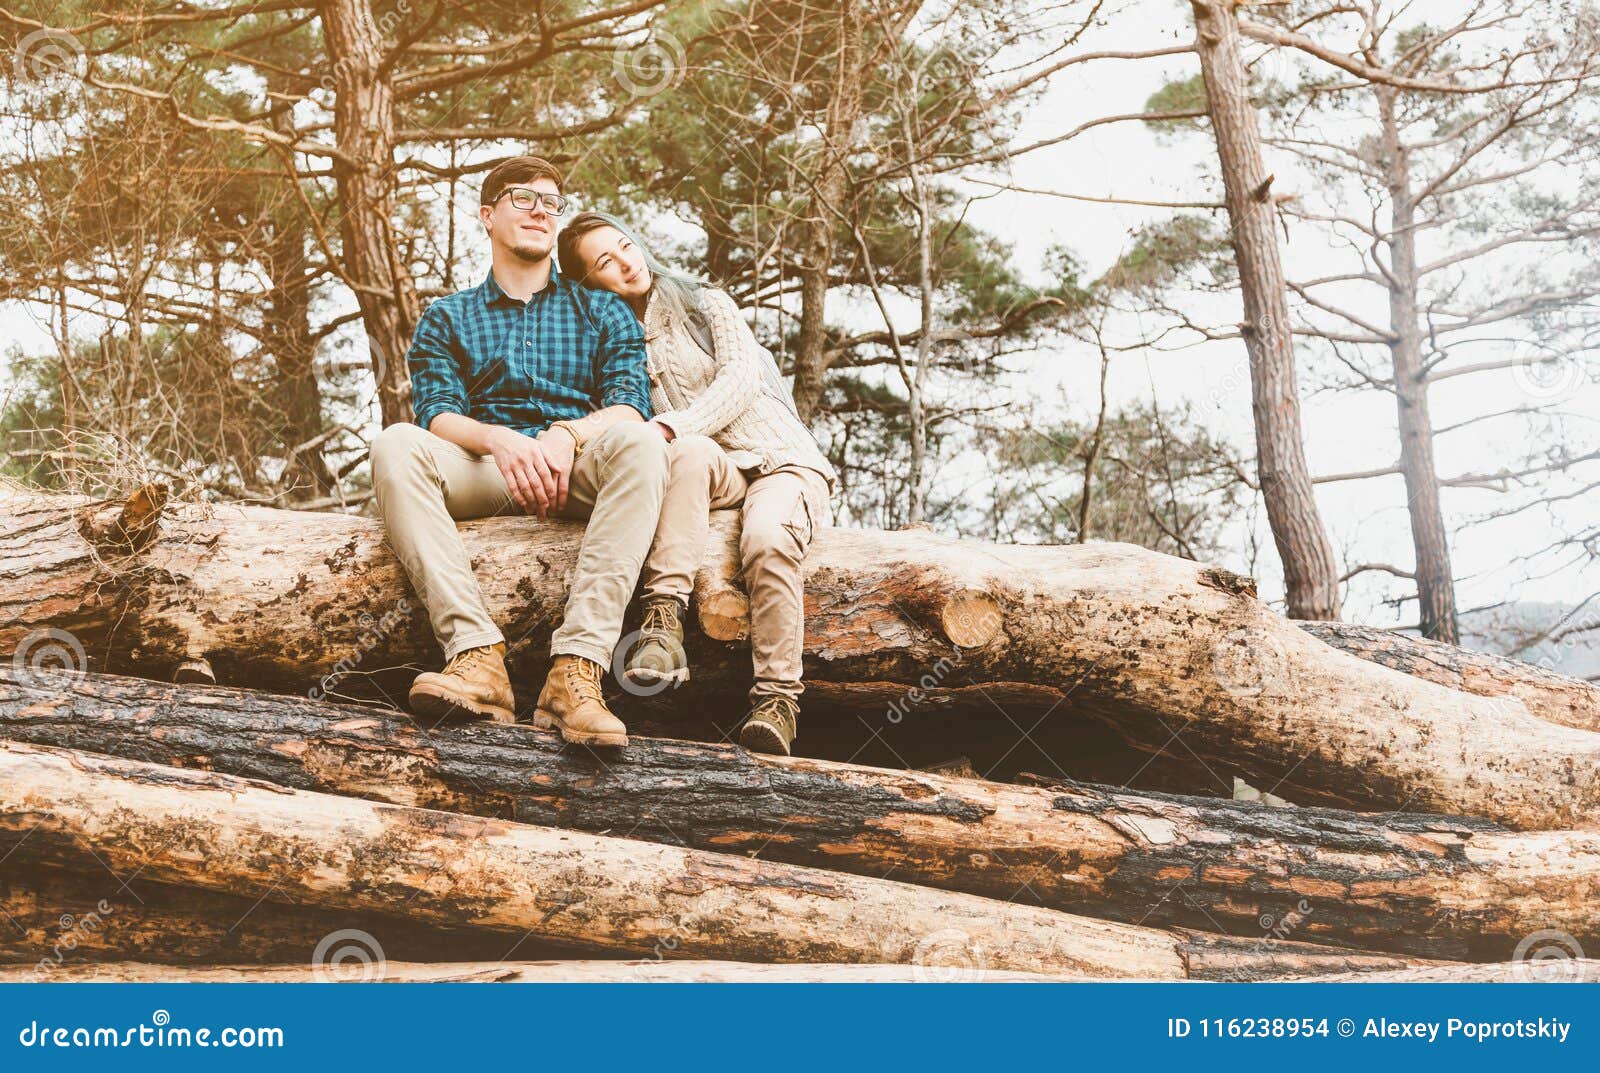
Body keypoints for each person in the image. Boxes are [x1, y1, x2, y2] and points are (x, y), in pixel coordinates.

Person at [371, 157, 663, 748]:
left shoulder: (602, 310)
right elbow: (437, 412)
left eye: (551, 203)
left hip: (574, 470)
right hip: (486, 467)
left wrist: (565, 435)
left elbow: (630, 405)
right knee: (395, 443)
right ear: (487, 215)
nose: (539, 211)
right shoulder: (446, 316)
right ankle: (476, 657)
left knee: (641, 445)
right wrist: (501, 440)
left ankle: (575, 675)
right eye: (522, 198)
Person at [556, 211, 837, 756]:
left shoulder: (706, 303)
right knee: (684, 453)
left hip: (781, 462)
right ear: (588, 283)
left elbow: (738, 381)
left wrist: (665, 425)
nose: (626, 262)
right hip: (717, 468)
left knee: (767, 540)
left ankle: (778, 699)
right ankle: (662, 626)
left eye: (625, 246)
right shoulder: (610, 343)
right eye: (605, 262)